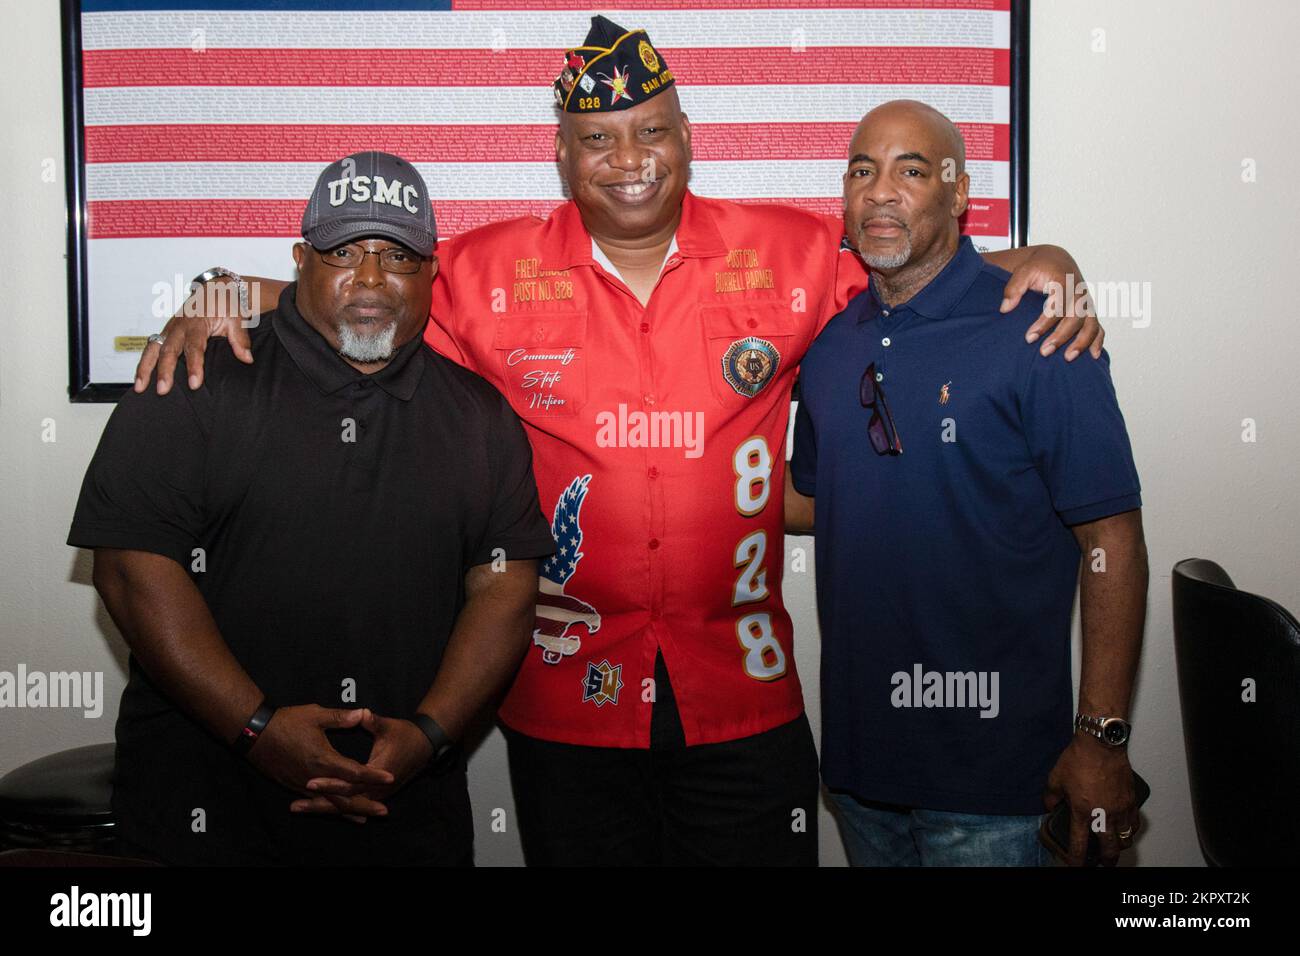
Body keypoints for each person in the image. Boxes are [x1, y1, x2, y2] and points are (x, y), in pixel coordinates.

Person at [132, 19, 1104, 866]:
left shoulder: (790, 252)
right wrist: (221, 288)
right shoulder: (482, 271)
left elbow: (921, 276)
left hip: (746, 693)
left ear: (686, 140)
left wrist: (1042, 259)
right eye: (597, 138)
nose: (626, 155)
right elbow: (352, 301)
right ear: (562, 157)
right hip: (563, 695)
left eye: (648, 131)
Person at [67, 151, 556, 865]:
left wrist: (429, 734)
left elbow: (505, 586)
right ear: (301, 260)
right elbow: (133, 573)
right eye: (341, 251)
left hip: (405, 809)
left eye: (395, 255)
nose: (368, 278)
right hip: (207, 806)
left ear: (430, 273)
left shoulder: (480, 415)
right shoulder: (196, 375)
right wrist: (257, 731)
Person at [786, 101, 1147, 867]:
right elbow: (817, 500)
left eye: (911, 170)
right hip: (858, 775)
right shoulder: (828, 349)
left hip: (999, 785)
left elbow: (1111, 539)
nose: (881, 191)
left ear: (958, 195)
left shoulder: (1039, 331)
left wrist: (1102, 740)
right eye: (862, 170)